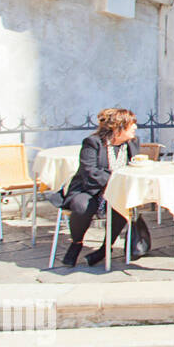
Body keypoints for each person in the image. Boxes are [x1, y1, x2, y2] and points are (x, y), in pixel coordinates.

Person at [59, 108, 139, 267]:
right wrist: (115, 179)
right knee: (82, 206)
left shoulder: (132, 143)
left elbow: (135, 166)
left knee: (121, 205)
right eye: (132, 124)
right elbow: (89, 171)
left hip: (115, 190)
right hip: (89, 188)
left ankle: (105, 248)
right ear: (119, 127)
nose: (135, 128)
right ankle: (76, 243)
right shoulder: (93, 143)